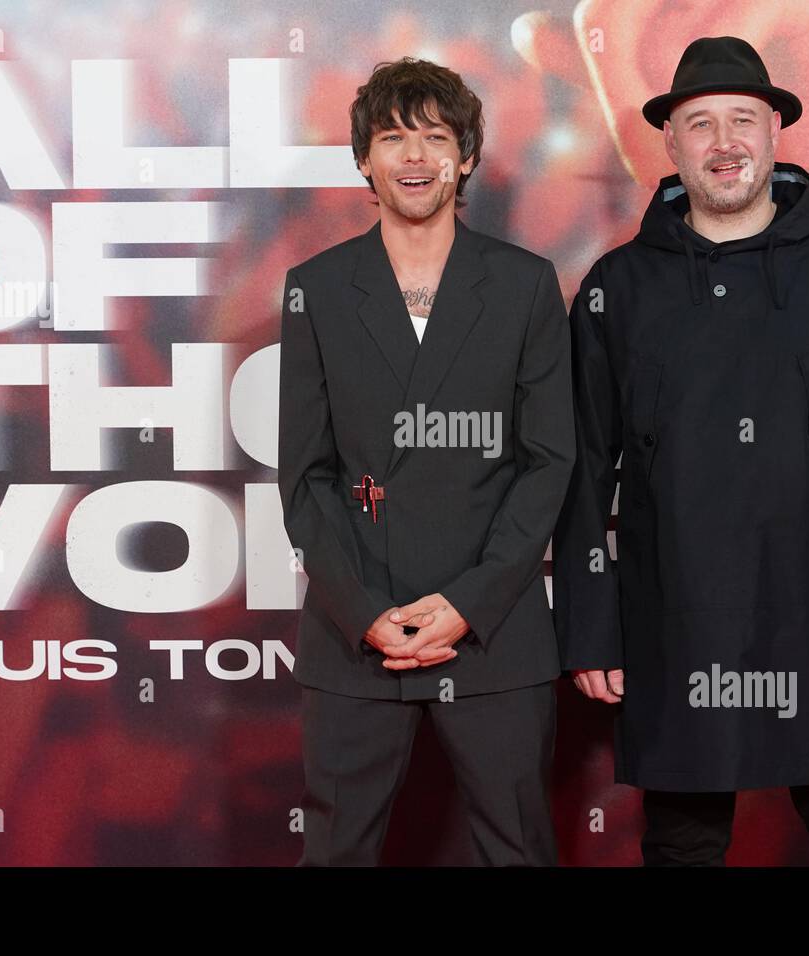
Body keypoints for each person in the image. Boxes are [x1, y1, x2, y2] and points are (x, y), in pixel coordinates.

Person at [553, 36, 809, 866]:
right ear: (670, 143)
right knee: (683, 849)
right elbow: (577, 465)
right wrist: (589, 629)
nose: (724, 142)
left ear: (774, 133)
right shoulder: (617, 287)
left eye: (742, 121)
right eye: (700, 124)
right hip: (677, 623)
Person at [277, 57, 575, 866]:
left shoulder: (523, 286)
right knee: (335, 852)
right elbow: (304, 479)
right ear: (363, 160)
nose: (415, 157)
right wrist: (364, 611)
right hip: (354, 633)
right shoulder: (318, 288)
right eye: (392, 138)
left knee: (518, 849)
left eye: (436, 138)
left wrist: (470, 602)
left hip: (495, 630)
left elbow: (549, 461)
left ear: (468, 156)